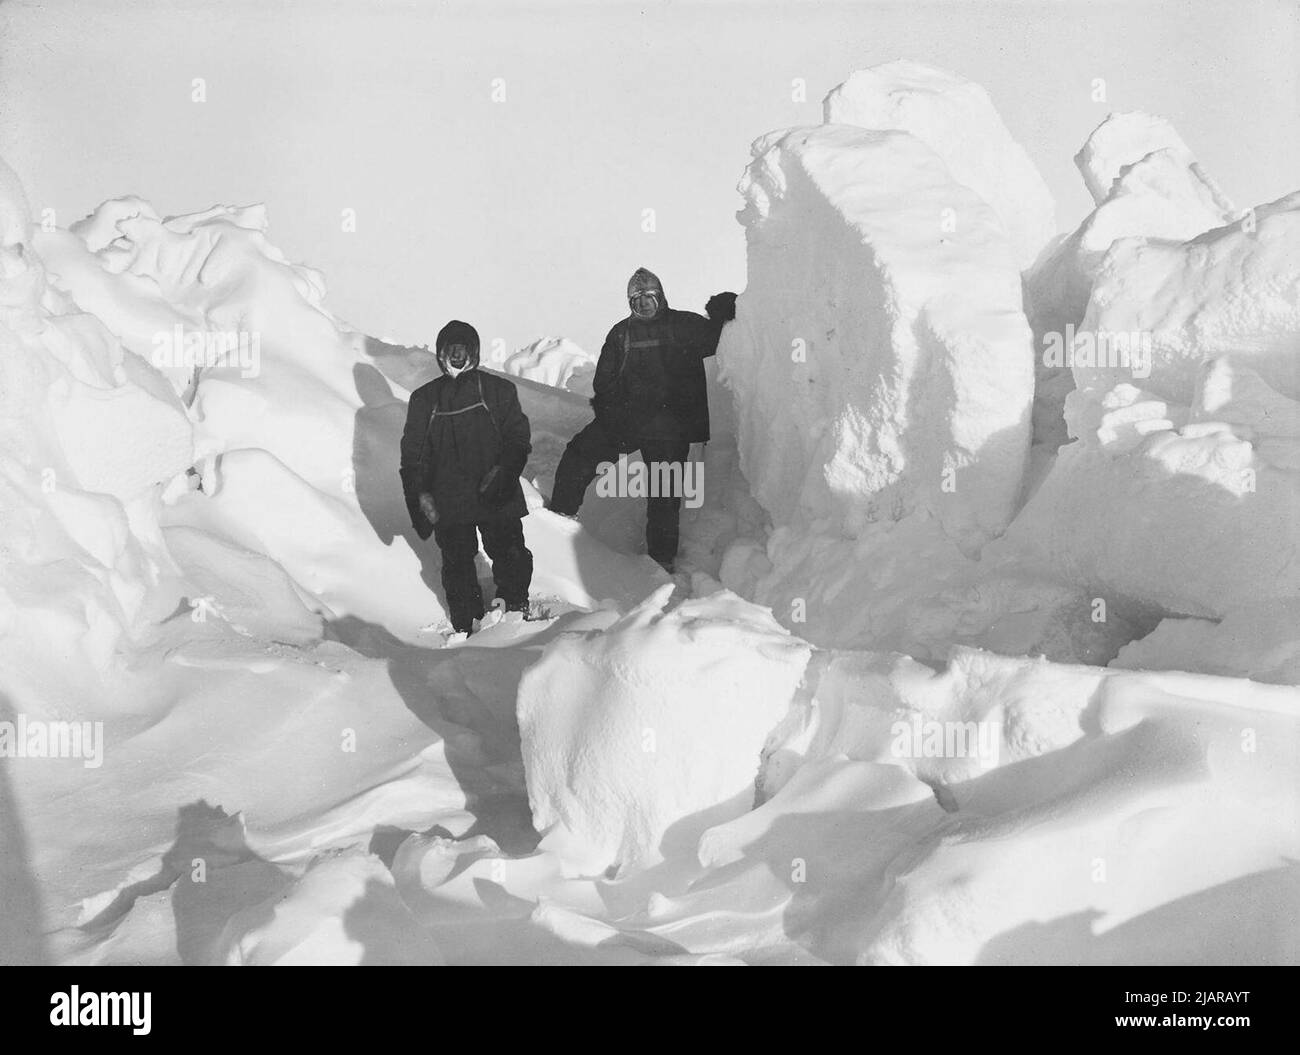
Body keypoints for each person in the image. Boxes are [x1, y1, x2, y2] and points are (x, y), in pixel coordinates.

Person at [548, 268, 736, 572]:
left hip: (670, 429)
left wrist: (724, 312)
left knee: (664, 494)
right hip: (628, 422)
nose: (643, 304)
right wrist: (615, 414)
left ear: (660, 296)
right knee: (579, 455)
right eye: (636, 299)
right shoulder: (621, 334)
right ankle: (557, 523)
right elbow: (604, 383)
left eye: (648, 297)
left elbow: (718, 339)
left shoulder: (684, 325)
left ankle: (660, 563)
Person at [399, 319, 533, 635]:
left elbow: (518, 437)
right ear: (441, 354)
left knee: (510, 553)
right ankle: (467, 626)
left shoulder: (499, 390)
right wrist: (418, 495)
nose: (457, 356)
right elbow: (413, 455)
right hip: (450, 499)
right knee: (458, 563)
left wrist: (506, 472)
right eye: (451, 350)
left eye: (464, 349)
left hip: (495, 491)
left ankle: (514, 609)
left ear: (474, 353)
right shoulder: (425, 399)